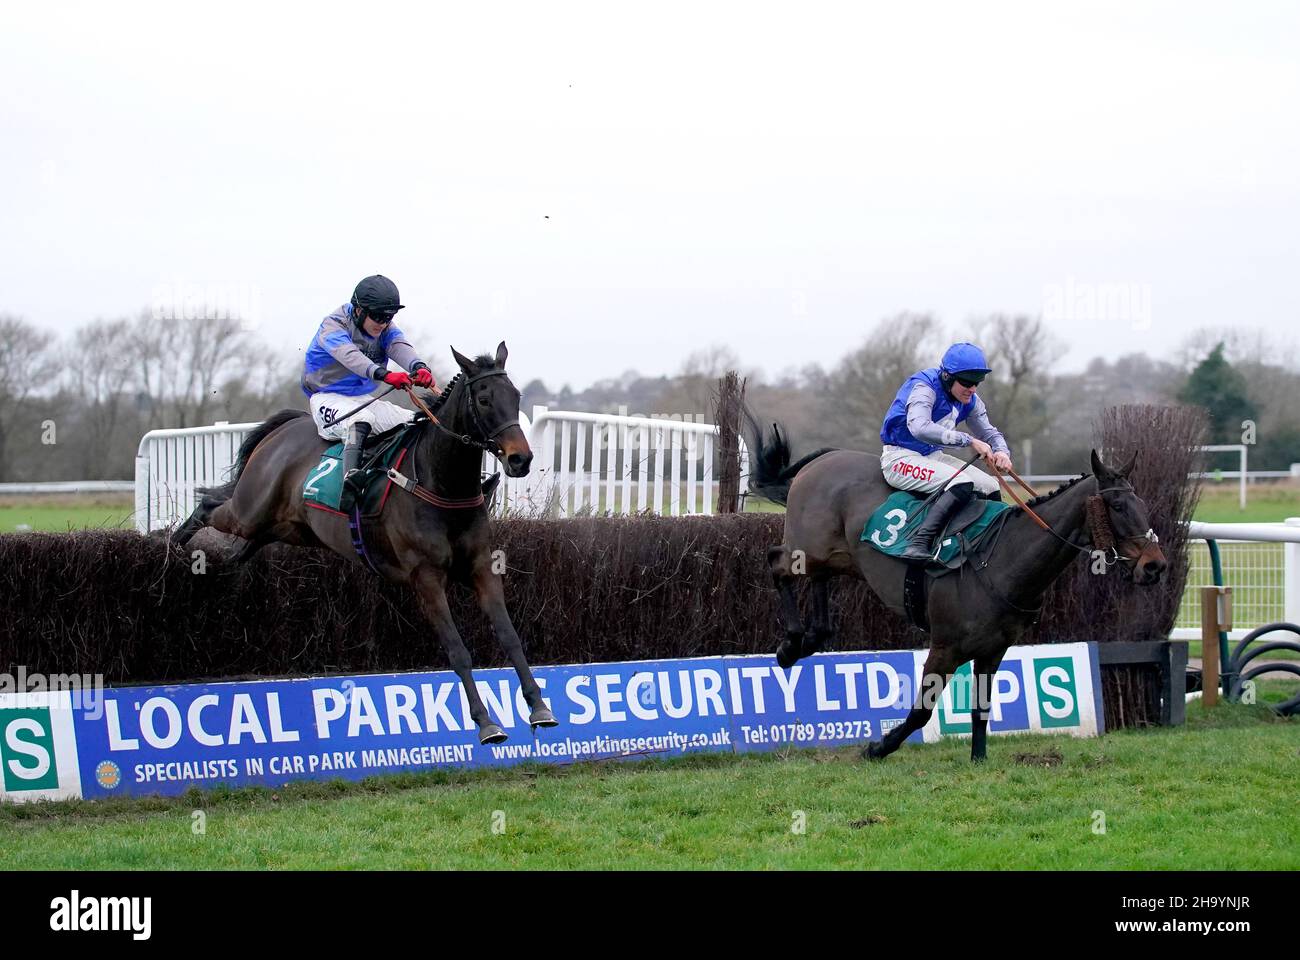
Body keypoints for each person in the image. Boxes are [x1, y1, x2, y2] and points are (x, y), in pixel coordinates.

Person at [302, 275, 436, 496]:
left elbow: (398, 345)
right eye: (377, 316)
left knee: (415, 422)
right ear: (358, 310)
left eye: (388, 317)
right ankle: (351, 480)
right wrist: (385, 374)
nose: (382, 323)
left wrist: (418, 366)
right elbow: (350, 355)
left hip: (362, 400)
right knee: (360, 419)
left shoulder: (385, 328)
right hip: (326, 398)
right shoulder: (332, 325)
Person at [878, 341, 1012, 561]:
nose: (972, 389)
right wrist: (969, 440)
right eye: (966, 382)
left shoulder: (970, 400)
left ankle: (992, 541)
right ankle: (918, 543)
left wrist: (1002, 452)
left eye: (977, 383)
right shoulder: (924, 388)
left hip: (931, 456)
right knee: (960, 483)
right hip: (899, 457)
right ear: (947, 376)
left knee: (990, 486)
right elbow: (920, 428)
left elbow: (989, 432)